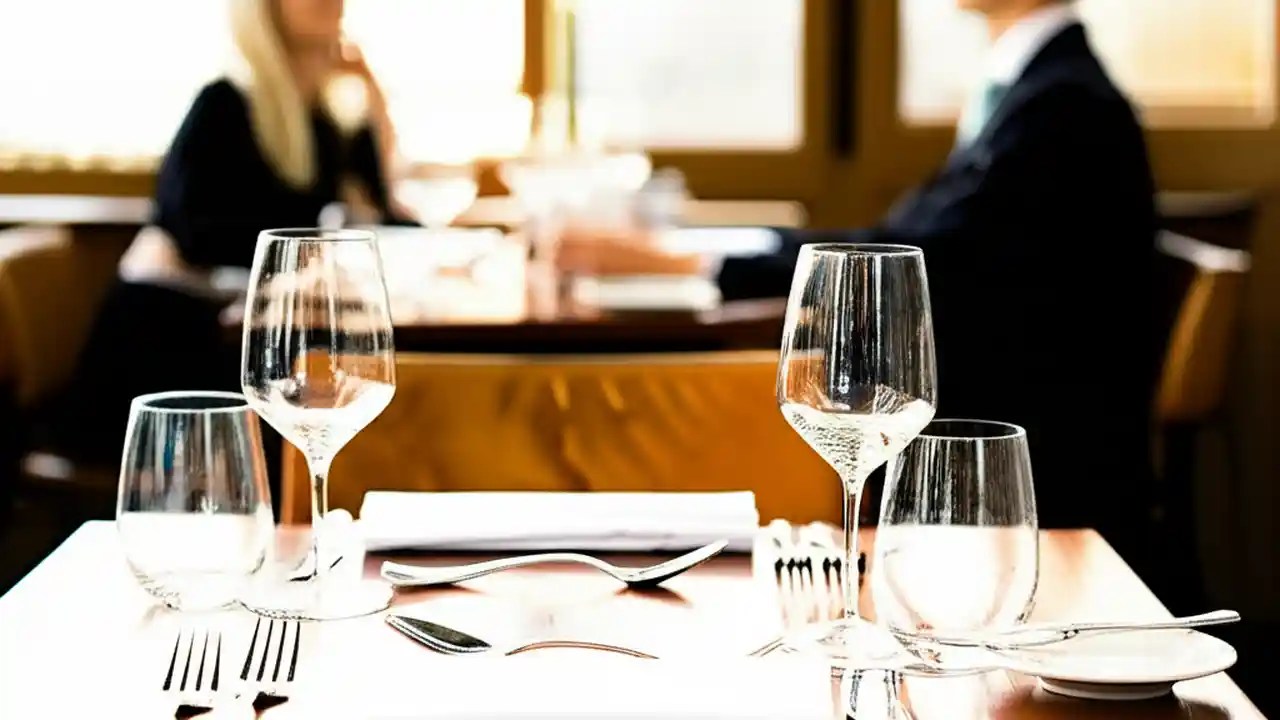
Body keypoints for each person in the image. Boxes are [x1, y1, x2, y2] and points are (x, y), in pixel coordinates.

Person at [561, 0, 1158, 556]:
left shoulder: (1067, 104)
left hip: (1017, 462)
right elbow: (907, 235)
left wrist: (683, 263)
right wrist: (697, 254)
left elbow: (925, 259)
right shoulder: (1036, 87)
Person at [69, 0, 414, 471]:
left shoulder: (323, 117)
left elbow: (385, 218)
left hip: (244, 337)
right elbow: (190, 230)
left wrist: (373, 94)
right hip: (165, 346)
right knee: (325, 395)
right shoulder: (225, 104)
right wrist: (296, 271)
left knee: (353, 383)